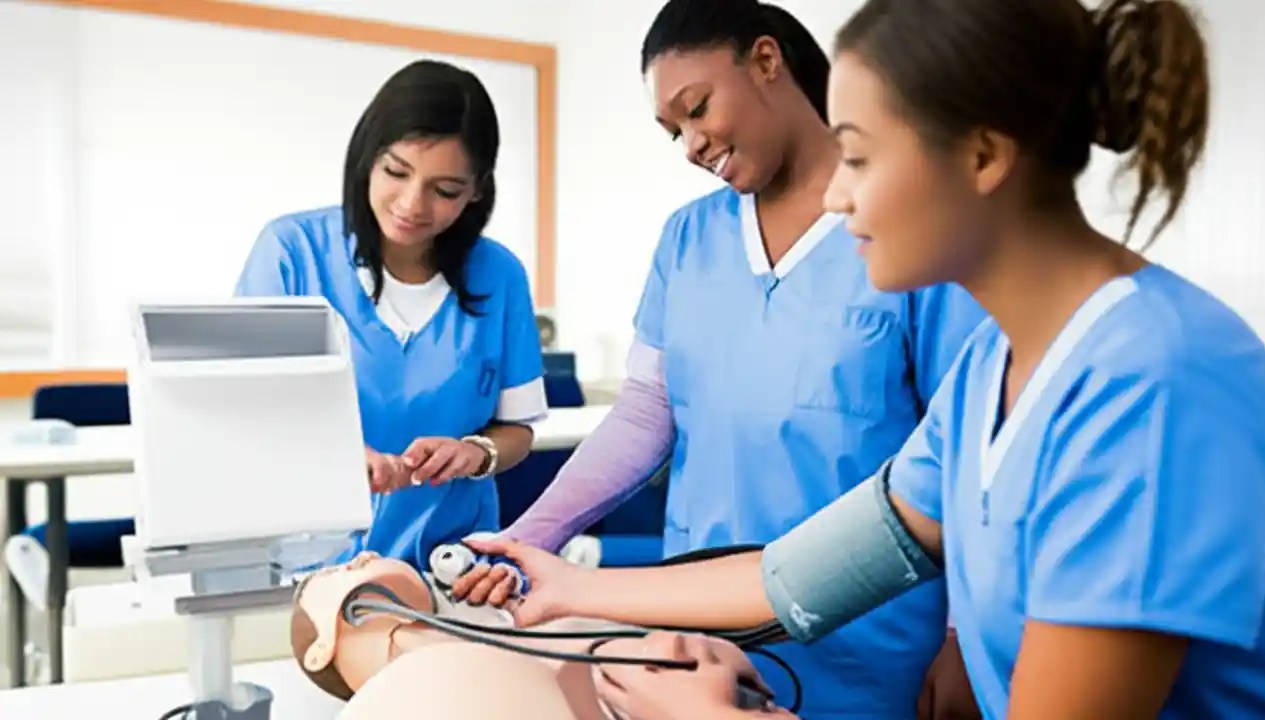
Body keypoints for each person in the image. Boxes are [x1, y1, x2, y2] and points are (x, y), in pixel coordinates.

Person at [464, 0, 1265, 718]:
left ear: (983, 156)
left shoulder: (1156, 383)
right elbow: (794, 575)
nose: (837, 195)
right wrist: (563, 584)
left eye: (857, 156)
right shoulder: (989, 377)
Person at [455, 1, 987, 717]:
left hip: (875, 643)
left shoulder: (901, 231)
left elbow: (969, 460)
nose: (690, 144)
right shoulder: (688, 239)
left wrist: (963, 636)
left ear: (767, 61)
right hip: (698, 637)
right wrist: (528, 539)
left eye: (697, 108)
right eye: (672, 131)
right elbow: (645, 414)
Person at [235, 60, 548, 569]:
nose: (411, 204)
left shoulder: (499, 275)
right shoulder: (292, 253)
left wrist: (475, 453)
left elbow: (516, 431)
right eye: (396, 173)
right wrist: (334, 457)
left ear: (477, 191)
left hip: (455, 563)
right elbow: (246, 416)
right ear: (367, 158)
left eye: (445, 190)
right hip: (310, 562)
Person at [289, 552, 770, 719]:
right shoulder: (398, 700)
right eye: (333, 572)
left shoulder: (535, 633)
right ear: (319, 651)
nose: (360, 556)